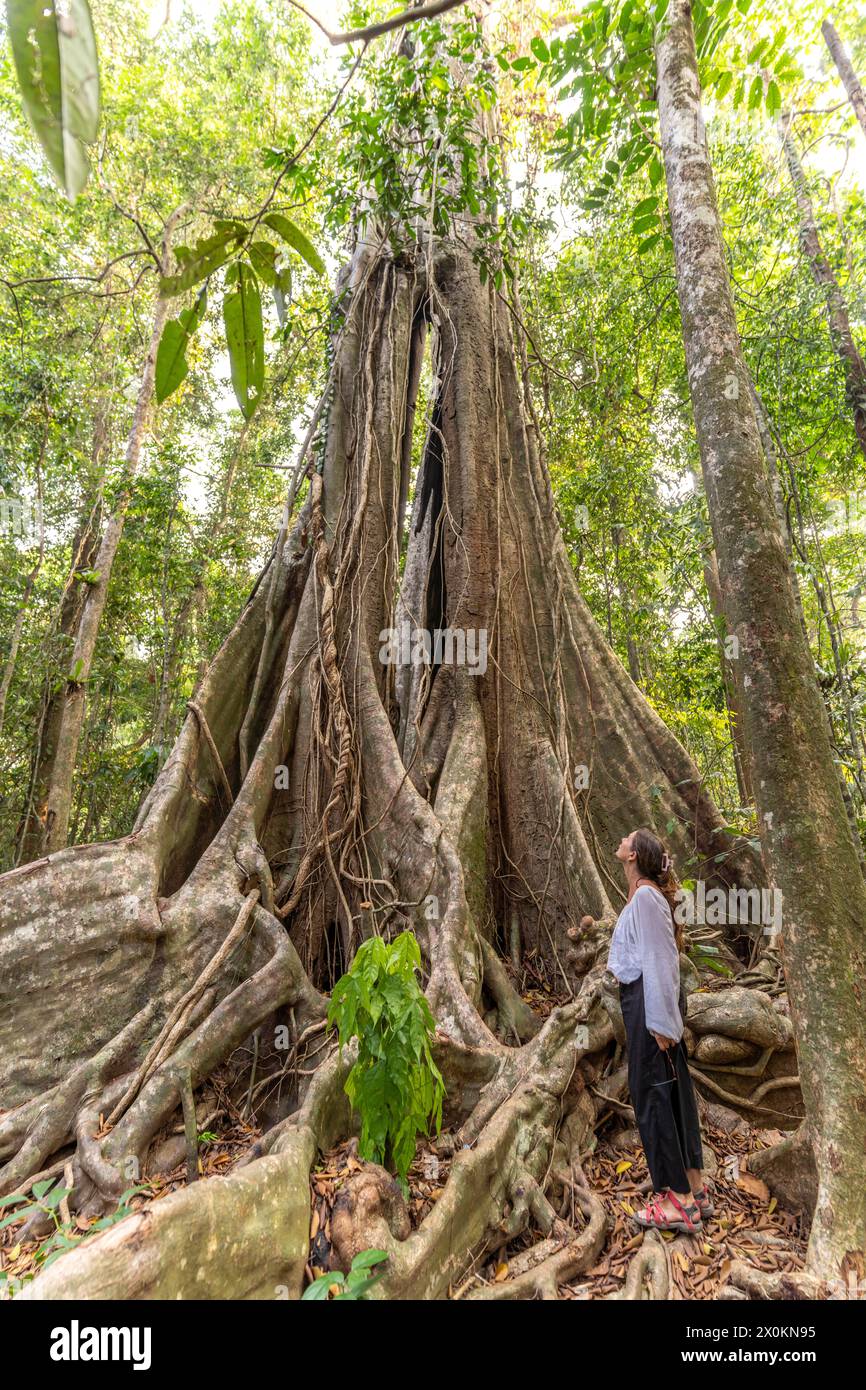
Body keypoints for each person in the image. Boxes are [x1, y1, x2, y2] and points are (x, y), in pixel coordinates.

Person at [604, 827, 712, 1235]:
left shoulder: (646, 898)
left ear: (633, 855)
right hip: (651, 1004)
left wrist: (662, 1022)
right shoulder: (646, 897)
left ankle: (678, 1202)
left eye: (626, 838)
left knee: (651, 1097)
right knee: (674, 1094)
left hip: (650, 1006)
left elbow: (662, 961)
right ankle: (695, 1190)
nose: (622, 840)